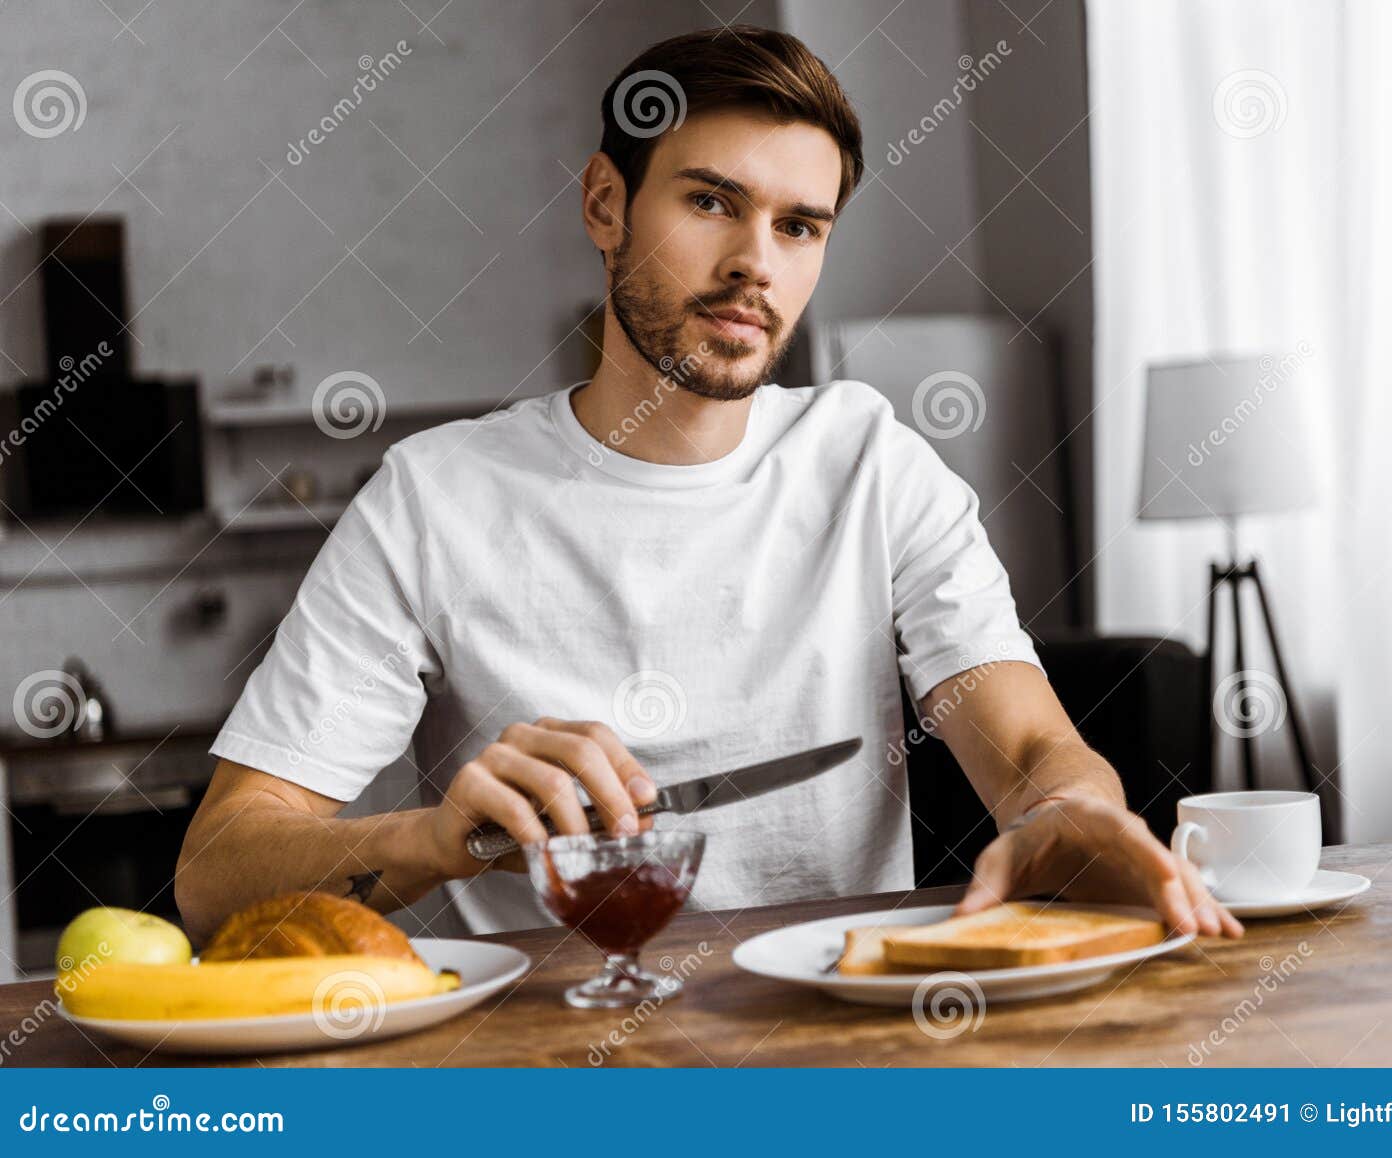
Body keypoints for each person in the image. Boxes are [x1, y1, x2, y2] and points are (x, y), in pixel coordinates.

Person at [176, 25, 1243, 945]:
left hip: (836, 1034)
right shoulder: (431, 500)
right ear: (606, 204)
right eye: (710, 202)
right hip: (552, 1062)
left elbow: (1031, 750)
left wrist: (1065, 812)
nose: (754, 263)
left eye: (798, 226)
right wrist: (435, 839)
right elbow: (216, 874)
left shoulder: (871, 464)